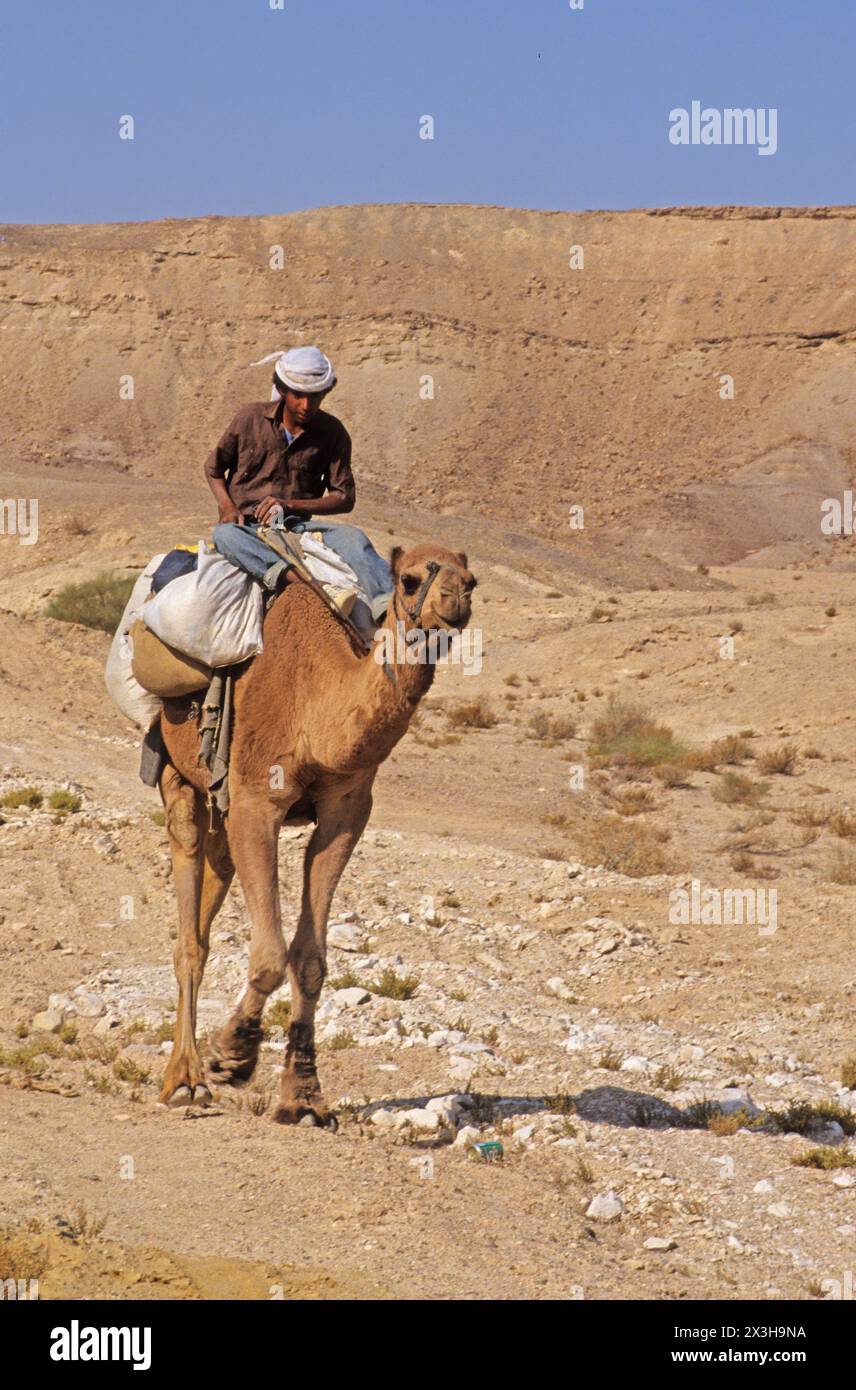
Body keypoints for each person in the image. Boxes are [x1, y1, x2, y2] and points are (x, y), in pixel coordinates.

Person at [205, 346, 392, 621]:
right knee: (224, 537)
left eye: (315, 397)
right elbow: (213, 469)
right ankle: (306, 585)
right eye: (299, 396)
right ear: (282, 390)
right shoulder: (249, 418)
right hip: (248, 527)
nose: (307, 406)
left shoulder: (333, 433)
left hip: (299, 526)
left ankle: (388, 608)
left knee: (354, 538)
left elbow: (344, 496)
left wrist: (289, 504)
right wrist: (226, 506)